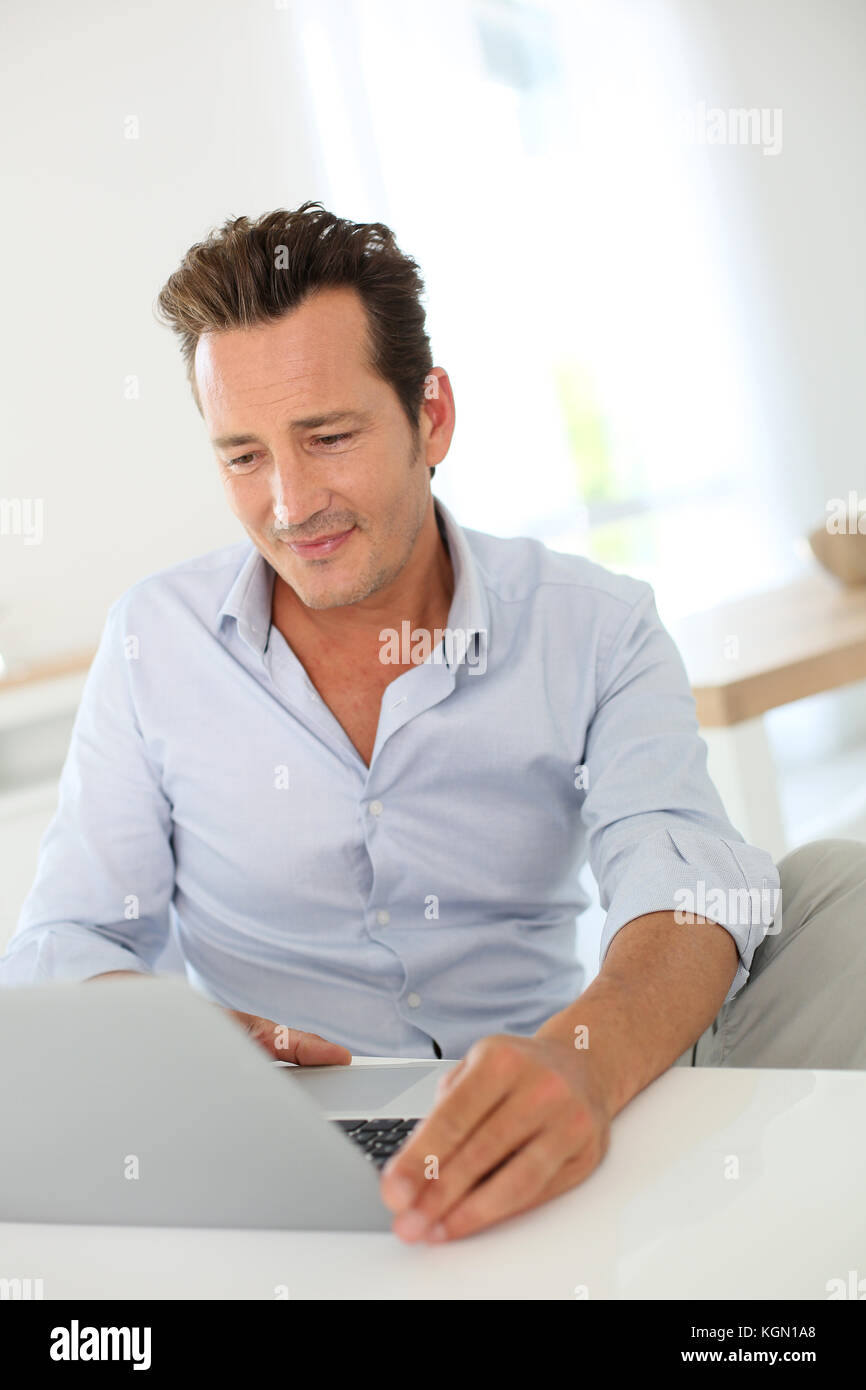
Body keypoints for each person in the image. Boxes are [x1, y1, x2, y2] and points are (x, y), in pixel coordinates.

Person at [3, 203, 864, 1245]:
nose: (289, 502)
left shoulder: (590, 626)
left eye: (327, 437)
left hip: (545, 1085)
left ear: (432, 416)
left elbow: (686, 879)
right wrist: (180, 1050)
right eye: (243, 456)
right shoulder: (153, 641)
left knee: (835, 893)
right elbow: (71, 934)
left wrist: (581, 1064)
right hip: (276, 1134)